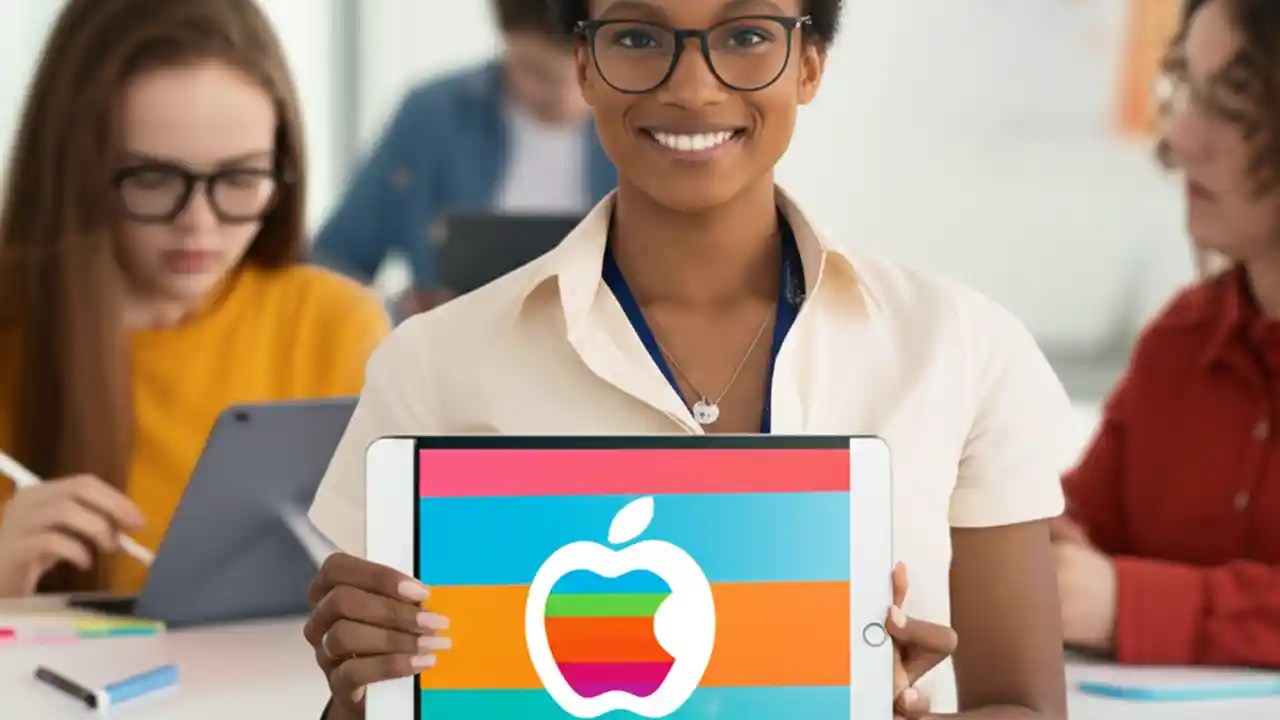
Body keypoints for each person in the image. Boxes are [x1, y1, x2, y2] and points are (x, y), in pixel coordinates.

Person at [304, 1, 1076, 718]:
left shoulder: (961, 348)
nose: (693, 87)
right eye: (638, 38)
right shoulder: (435, 363)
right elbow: (383, 700)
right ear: (584, 64)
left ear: (809, 63)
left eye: (746, 37)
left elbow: (1023, 703)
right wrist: (353, 695)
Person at [0, 0, 390, 599]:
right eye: (153, 179)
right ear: (73, 171)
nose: (199, 226)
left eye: (239, 179)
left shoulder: (335, 325)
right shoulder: (16, 336)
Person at [1054, 0, 1280, 669]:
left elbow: (1105, 588)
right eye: (1188, 89)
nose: (1180, 137)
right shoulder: (1182, 339)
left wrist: (1130, 604)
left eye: (1234, 103)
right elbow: (1076, 531)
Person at [312, 0, 619, 318]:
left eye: (588, 74)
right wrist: (398, 312)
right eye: (538, 75)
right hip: (448, 357)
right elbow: (332, 262)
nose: (565, 97)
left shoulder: (644, 125)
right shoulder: (431, 118)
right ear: (504, 38)